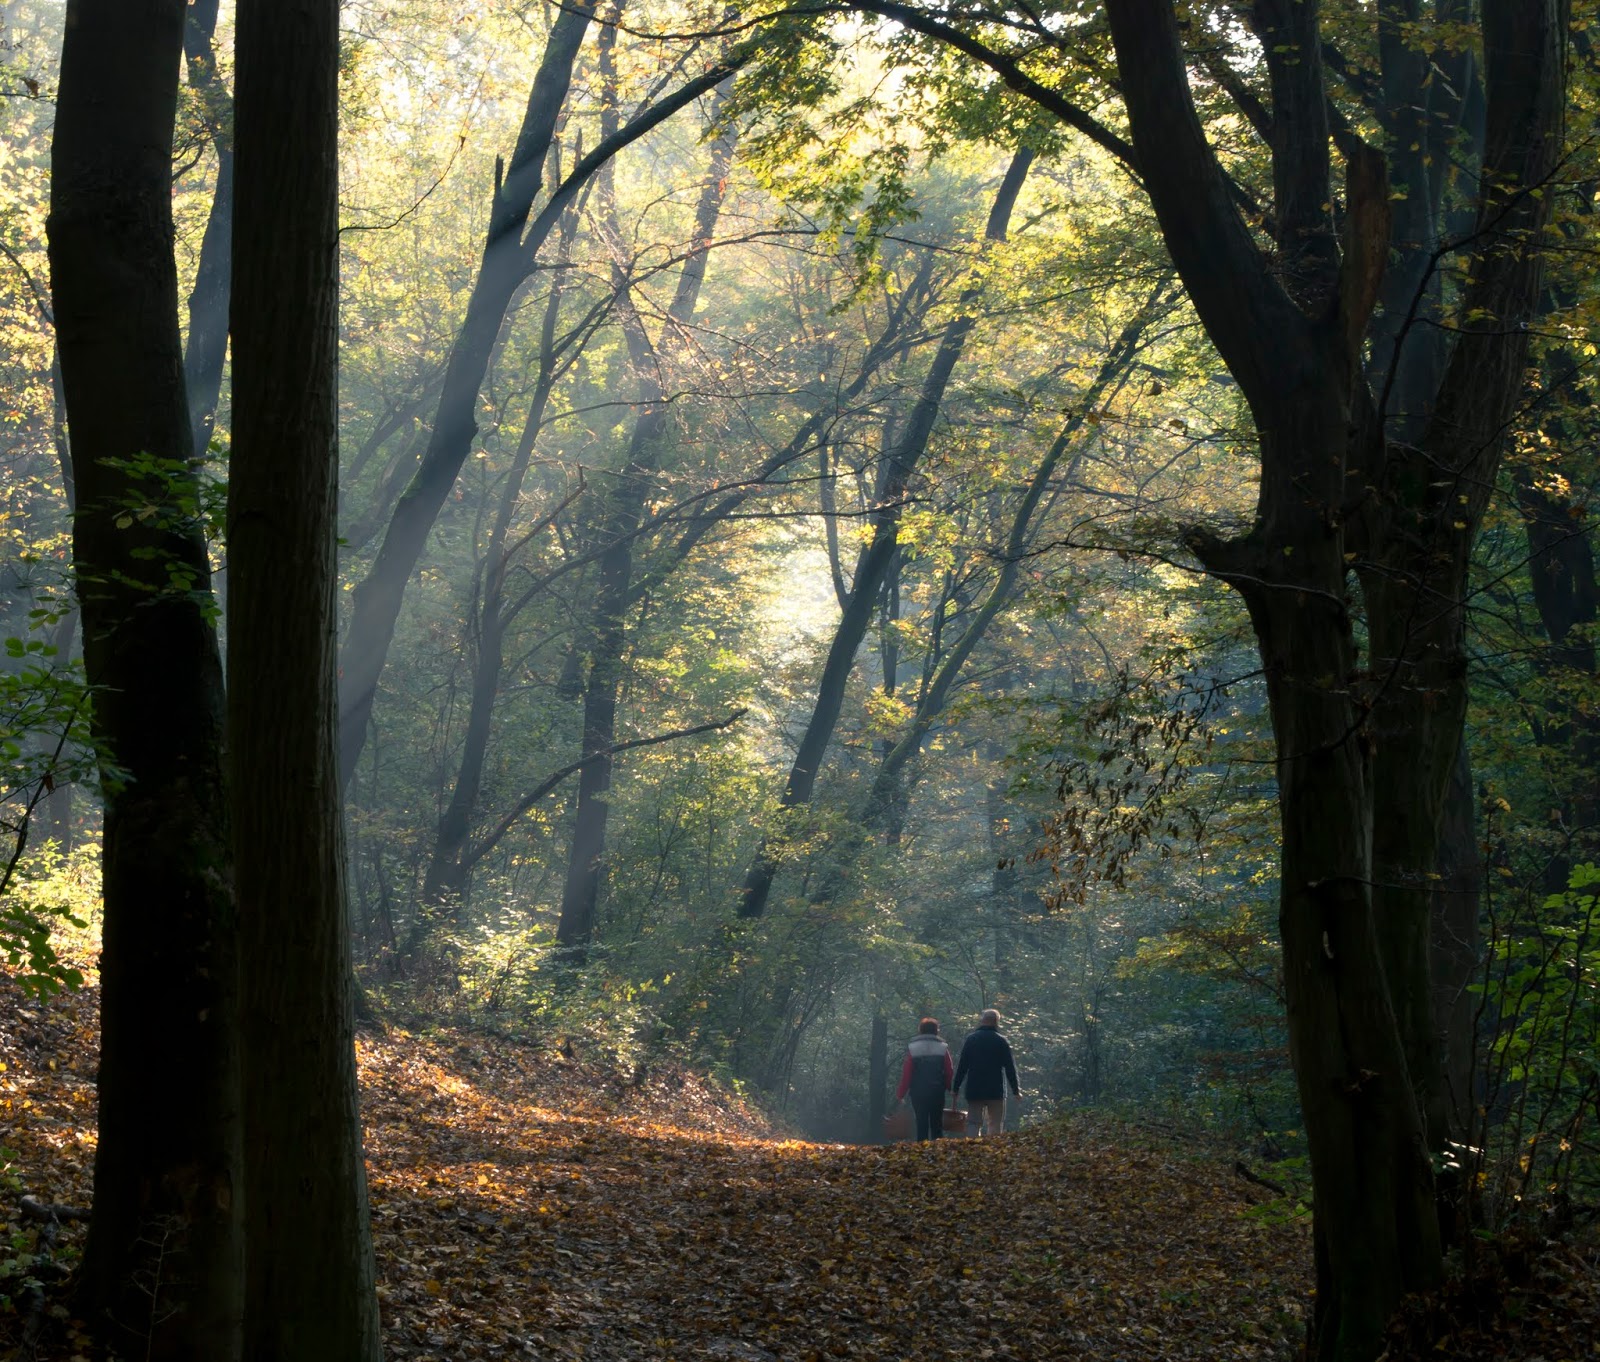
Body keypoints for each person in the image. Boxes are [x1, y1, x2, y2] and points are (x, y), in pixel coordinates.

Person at [954, 1008, 1020, 1136]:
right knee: (995, 1123)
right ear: (996, 1022)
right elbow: (1010, 1068)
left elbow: (962, 1066)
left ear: (982, 1020)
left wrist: (955, 1088)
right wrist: (1016, 1090)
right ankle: (993, 1147)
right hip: (995, 1089)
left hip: (974, 1088)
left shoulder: (971, 1039)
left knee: (973, 1122)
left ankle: (972, 1145)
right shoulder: (1001, 1041)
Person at [894, 1017, 954, 1141]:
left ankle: (922, 1147)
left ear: (920, 1030)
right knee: (937, 1123)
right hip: (937, 1090)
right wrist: (950, 1087)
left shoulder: (913, 1048)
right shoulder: (943, 1047)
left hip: (918, 1091)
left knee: (921, 1122)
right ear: (936, 1030)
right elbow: (949, 1070)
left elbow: (907, 1073)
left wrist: (901, 1093)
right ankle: (938, 1147)